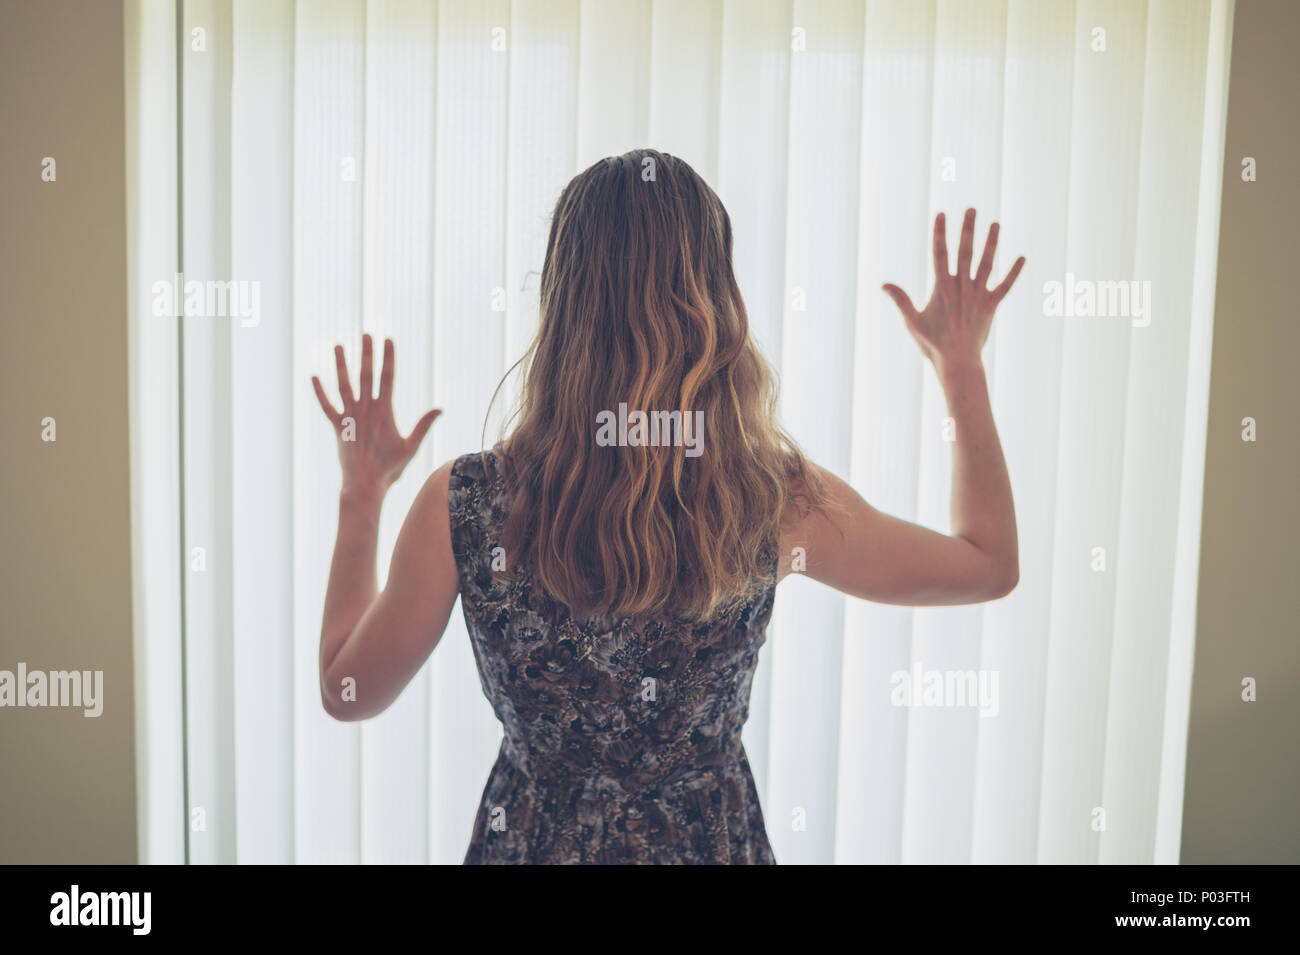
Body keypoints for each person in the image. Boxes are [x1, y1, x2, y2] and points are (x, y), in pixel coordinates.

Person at [310, 148, 1024, 864]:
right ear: (718, 305)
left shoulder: (466, 506)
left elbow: (347, 691)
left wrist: (361, 496)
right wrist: (961, 367)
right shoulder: (773, 501)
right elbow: (986, 564)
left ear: (561, 306)